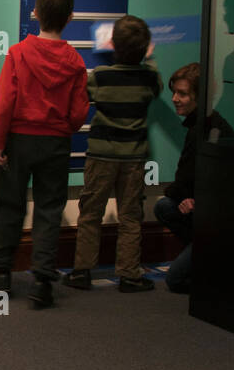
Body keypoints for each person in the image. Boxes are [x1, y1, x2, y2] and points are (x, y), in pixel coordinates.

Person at [0, 0, 90, 308]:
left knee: (9, 205)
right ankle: (43, 279)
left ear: (35, 12)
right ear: (70, 17)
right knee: (49, 209)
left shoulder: (17, 53)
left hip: (18, 140)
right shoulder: (75, 62)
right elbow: (78, 113)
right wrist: (65, 126)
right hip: (56, 143)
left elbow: (5, 103)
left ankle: (2, 272)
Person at [65, 15, 162, 293]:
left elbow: (84, 92)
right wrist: (150, 60)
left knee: (90, 212)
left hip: (100, 155)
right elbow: (158, 87)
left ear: (113, 45)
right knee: (131, 215)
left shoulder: (100, 77)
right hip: (133, 159)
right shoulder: (148, 78)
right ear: (144, 49)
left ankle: (82, 270)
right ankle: (130, 274)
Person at [155, 63, 233, 294]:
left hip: (220, 216)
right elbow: (189, 179)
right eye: (175, 92)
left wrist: (196, 200)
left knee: (175, 281)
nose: (175, 98)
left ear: (200, 96)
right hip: (205, 207)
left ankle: (221, 267)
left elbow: (225, 184)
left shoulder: (210, 130)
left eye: (183, 93)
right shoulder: (200, 125)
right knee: (165, 207)